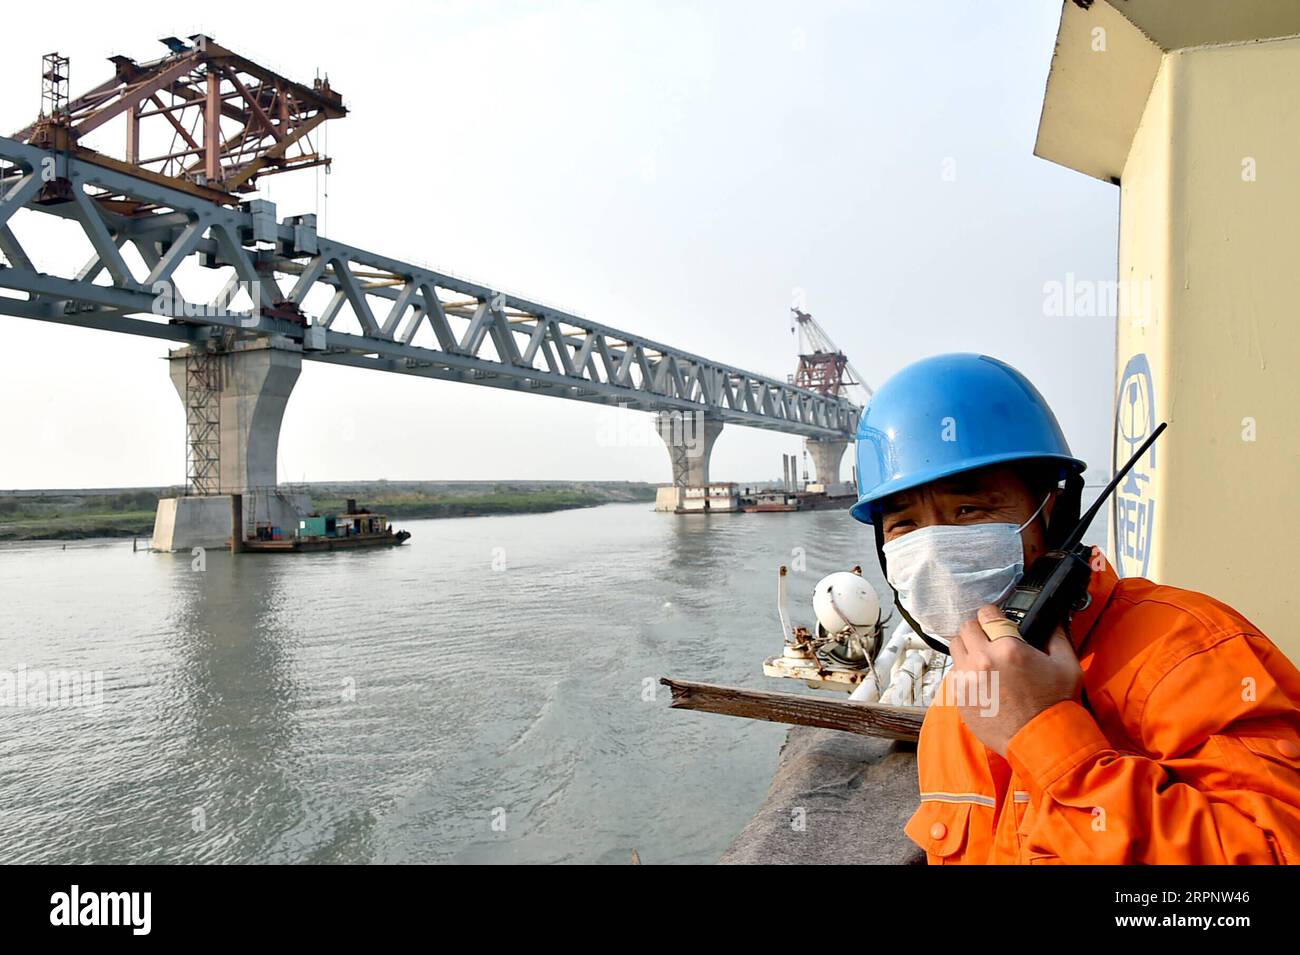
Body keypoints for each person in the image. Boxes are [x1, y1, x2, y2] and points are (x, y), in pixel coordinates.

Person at [850, 353, 1300, 864]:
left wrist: (1045, 732)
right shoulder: (958, 702)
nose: (933, 549)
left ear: (1056, 514)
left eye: (969, 510)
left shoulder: (1187, 653)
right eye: (904, 526)